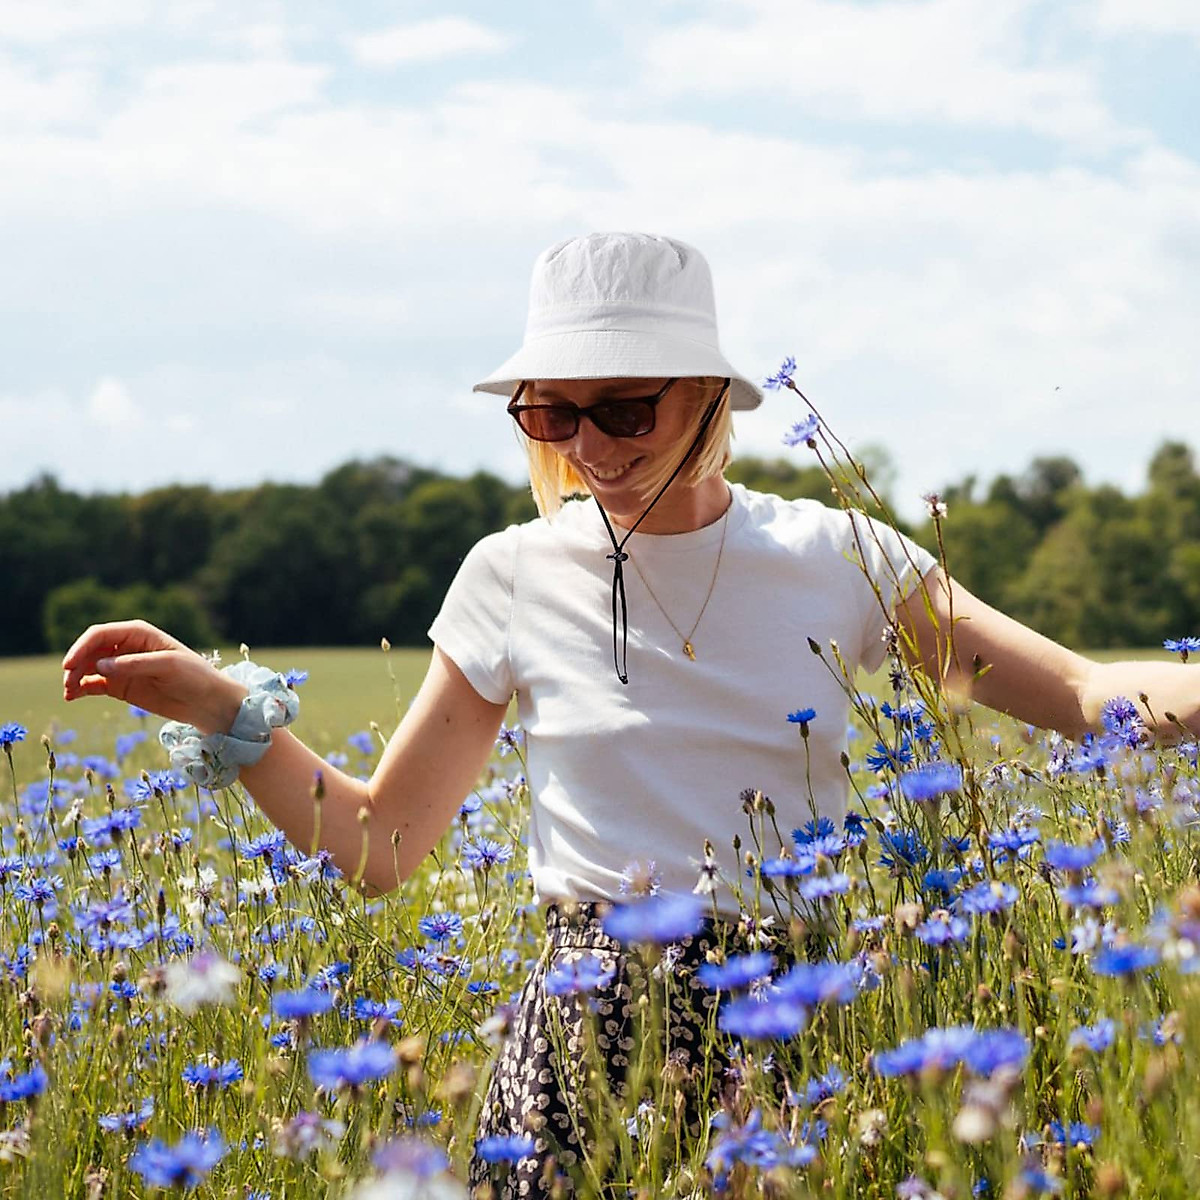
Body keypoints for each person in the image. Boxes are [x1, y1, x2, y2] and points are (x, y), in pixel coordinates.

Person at [61, 232, 1199, 1197]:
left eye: (622, 409)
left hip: (812, 1023)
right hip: (584, 1036)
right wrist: (225, 708)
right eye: (553, 414)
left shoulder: (838, 554)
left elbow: (1090, 699)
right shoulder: (511, 574)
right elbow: (379, 845)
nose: (590, 449)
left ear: (708, 397)